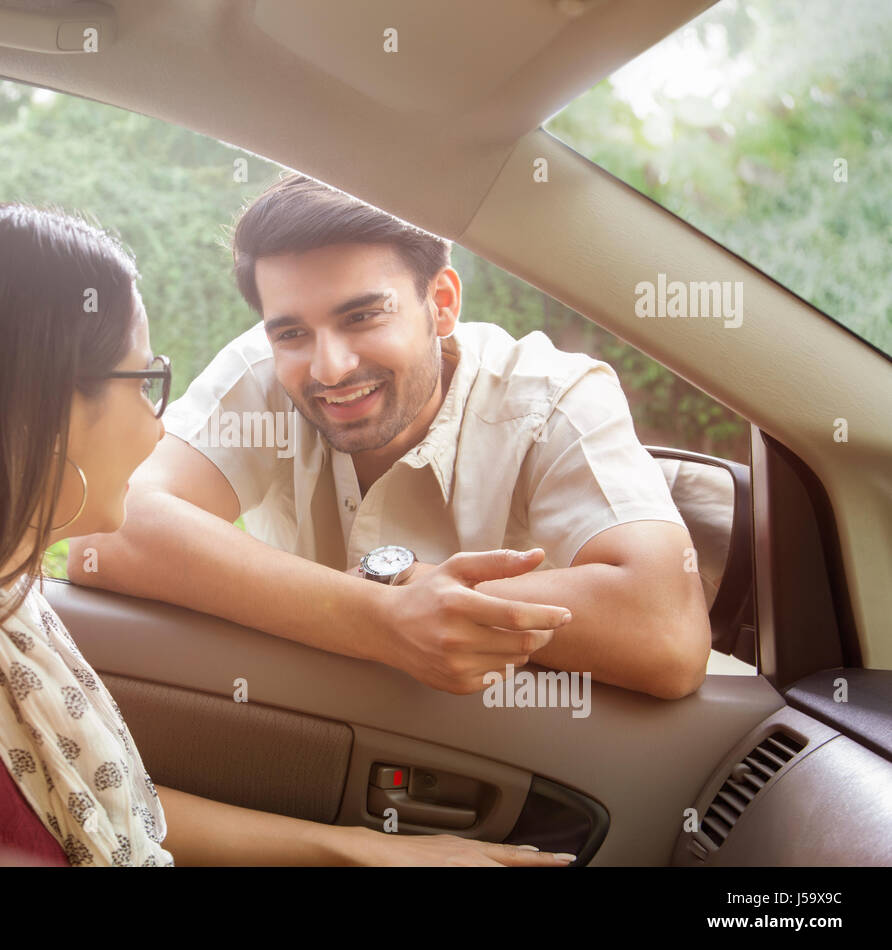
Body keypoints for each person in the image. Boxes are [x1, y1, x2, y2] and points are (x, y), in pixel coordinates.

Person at [0, 202, 572, 867]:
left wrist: (355, 849)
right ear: (36, 412)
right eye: (143, 383)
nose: (159, 429)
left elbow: (110, 809)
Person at [69, 175, 712, 700]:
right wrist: (380, 618)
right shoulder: (260, 370)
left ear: (442, 302)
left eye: (363, 316)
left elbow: (665, 627)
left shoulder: (551, 397)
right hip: (310, 725)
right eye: (291, 331)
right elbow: (104, 536)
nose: (329, 367)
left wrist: (407, 597)